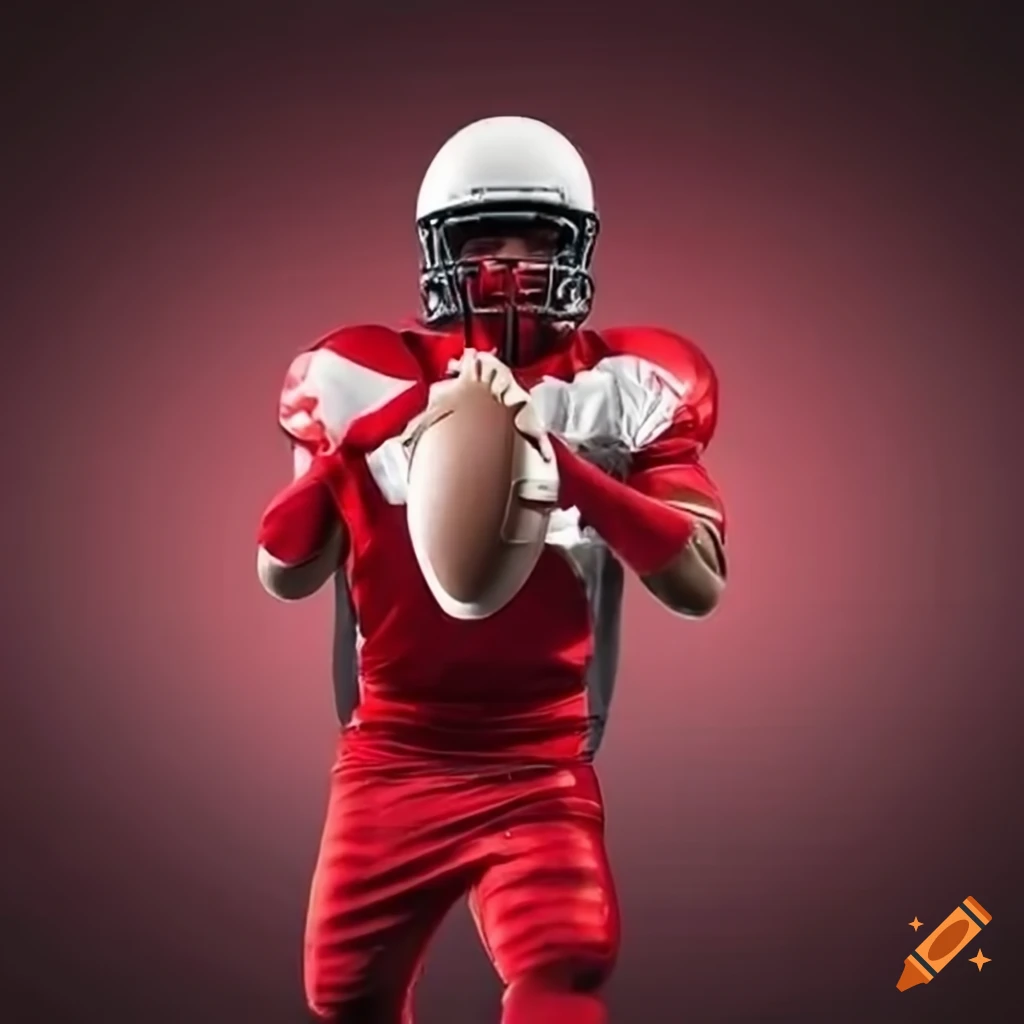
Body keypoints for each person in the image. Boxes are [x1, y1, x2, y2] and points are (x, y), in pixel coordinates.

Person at [256, 115, 728, 1024]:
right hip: (394, 751)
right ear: (440, 252)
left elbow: (699, 583)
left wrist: (568, 469)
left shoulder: (630, 383)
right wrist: (354, 449)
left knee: (566, 960)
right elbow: (284, 570)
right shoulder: (360, 374)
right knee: (344, 997)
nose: (509, 265)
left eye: (535, 240)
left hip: (538, 754)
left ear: (575, 249)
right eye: (483, 241)